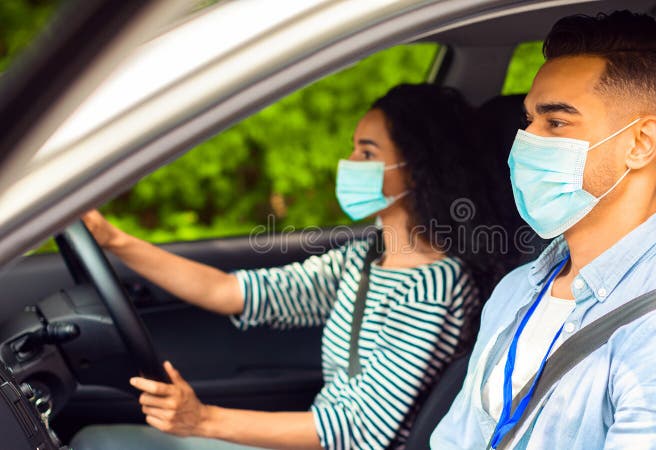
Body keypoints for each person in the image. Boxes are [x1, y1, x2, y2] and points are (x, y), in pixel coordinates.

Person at [71, 84, 514, 450]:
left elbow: (358, 429)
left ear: (415, 170)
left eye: (366, 152)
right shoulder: (364, 259)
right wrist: (116, 242)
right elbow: (233, 292)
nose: (349, 165)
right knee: (96, 439)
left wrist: (202, 420)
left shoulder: (433, 285)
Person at [431, 11, 656, 449]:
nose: (526, 141)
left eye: (555, 122)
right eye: (528, 121)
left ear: (640, 143)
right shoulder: (517, 289)